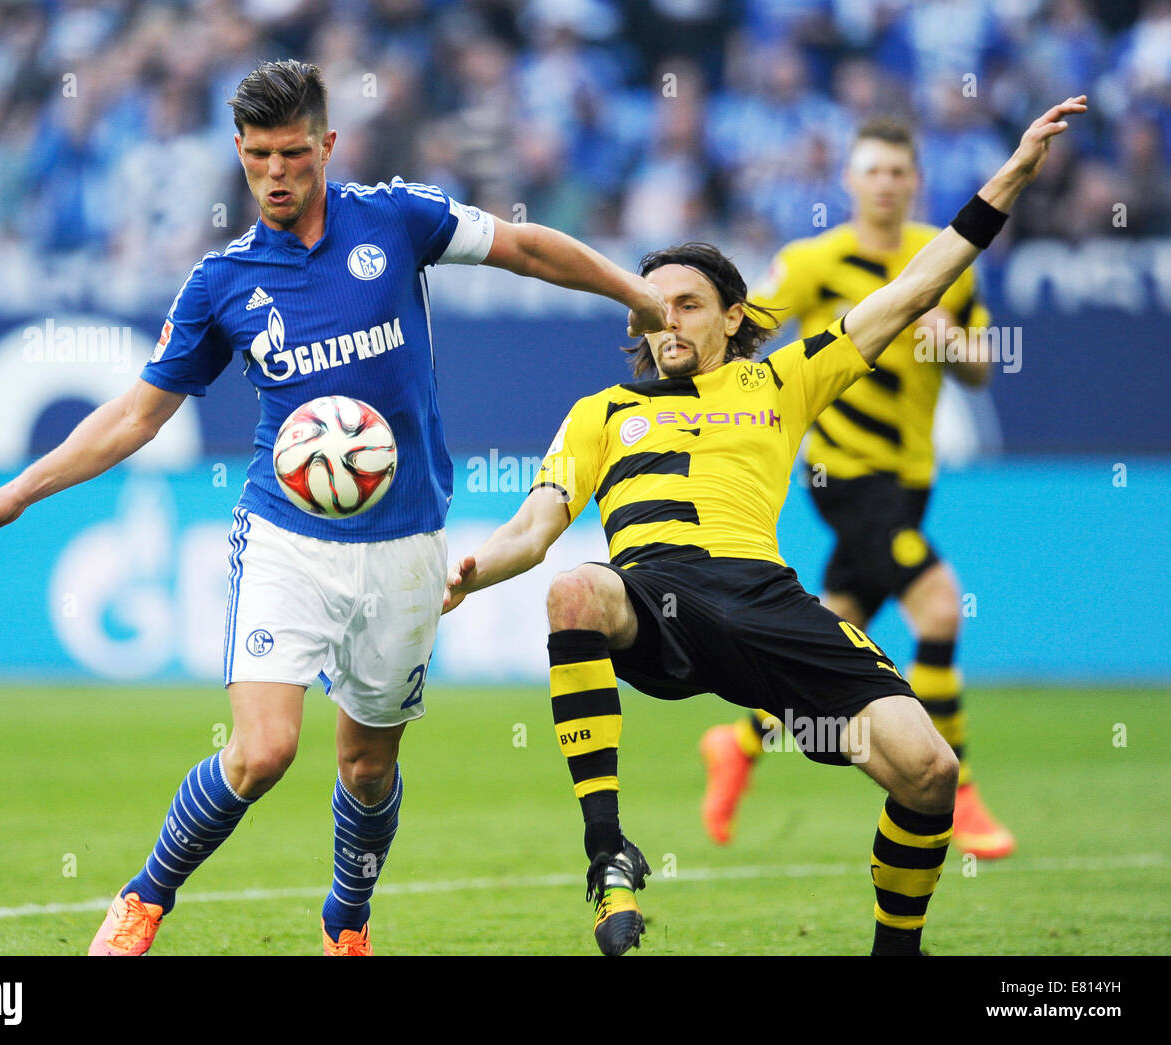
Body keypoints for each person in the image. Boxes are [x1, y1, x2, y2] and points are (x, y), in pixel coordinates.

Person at [0, 59, 666, 957]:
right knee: (262, 751)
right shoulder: (222, 283)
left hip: (406, 546)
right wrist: (14, 493)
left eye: (293, 154)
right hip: (287, 539)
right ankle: (141, 902)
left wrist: (638, 294)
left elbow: (526, 247)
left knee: (368, 765)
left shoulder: (395, 218)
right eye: (258, 156)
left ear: (327, 145)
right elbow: (133, 415)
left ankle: (346, 920)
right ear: (239, 152)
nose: (276, 174)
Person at [443, 98, 1085, 956]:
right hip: (658, 598)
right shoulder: (600, 413)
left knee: (930, 774)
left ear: (731, 317)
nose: (668, 318)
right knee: (573, 586)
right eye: (653, 302)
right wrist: (468, 571)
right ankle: (608, 853)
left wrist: (1010, 175)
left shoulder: (779, 382)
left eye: (689, 303)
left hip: (768, 603)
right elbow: (533, 529)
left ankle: (896, 949)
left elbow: (912, 290)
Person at [699, 117, 1016, 859]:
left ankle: (739, 743)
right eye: (870, 171)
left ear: (914, 182)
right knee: (938, 606)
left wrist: (957, 346)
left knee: (829, 631)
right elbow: (752, 328)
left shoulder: (944, 262)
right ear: (849, 180)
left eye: (897, 172)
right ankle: (958, 789)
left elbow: (981, 365)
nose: (884, 183)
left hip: (910, 480)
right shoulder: (813, 260)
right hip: (841, 473)